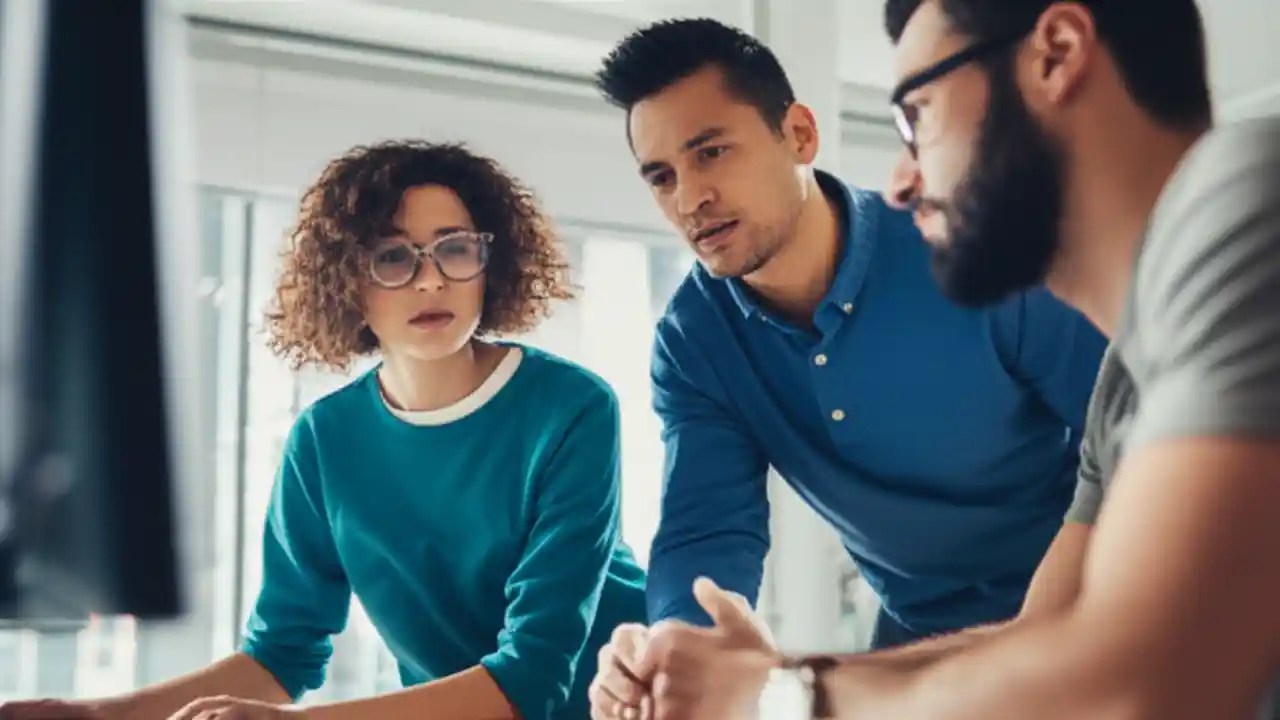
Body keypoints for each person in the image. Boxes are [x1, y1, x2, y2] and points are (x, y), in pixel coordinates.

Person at [624, 0, 1280, 718]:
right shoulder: (1125, 388)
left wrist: (779, 691)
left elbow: (1127, 674)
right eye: (659, 177)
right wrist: (698, 670)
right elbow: (1051, 644)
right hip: (996, 636)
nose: (902, 182)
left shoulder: (1248, 200)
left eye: (918, 114)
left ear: (1057, 55)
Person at [0, 141, 647, 720]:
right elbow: (282, 653)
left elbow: (532, 676)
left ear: (489, 263)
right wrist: (97, 716)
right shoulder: (324, 440)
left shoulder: (571, 408)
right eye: (392, 256)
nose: (430, 277)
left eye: (454, 248)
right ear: (346, 282)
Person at [587, 17, 1108, 719]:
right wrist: (679, 650)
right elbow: (708, 530)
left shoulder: (966, 245)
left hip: (1088, 599)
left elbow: (1131, 442)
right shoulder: (692, 343)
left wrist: (1068, 622)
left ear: (799, 135)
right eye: (661, 176)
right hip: (916, 639)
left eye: (710, 152)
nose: (688, 199)